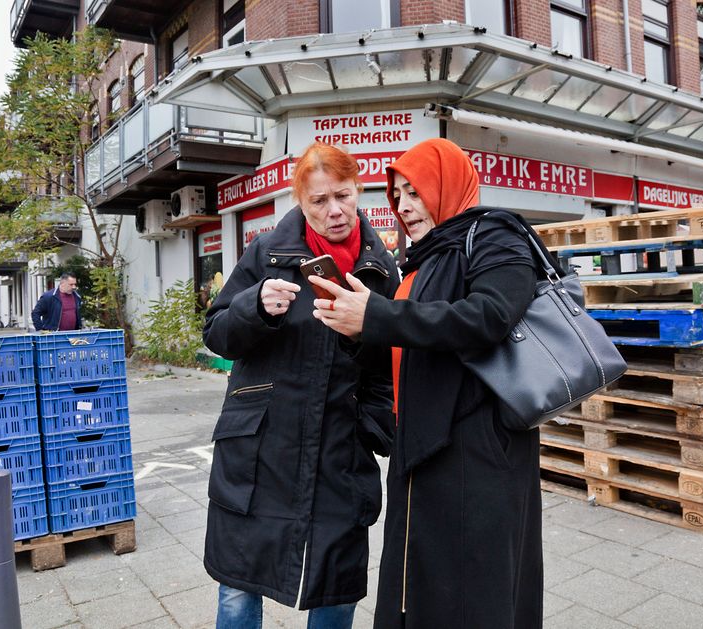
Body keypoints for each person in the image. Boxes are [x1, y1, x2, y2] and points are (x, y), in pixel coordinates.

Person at [310, 138, 543, 628]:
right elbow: (411, 341)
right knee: (422, 589)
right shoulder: (424, 258)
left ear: (447, 184)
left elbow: (489, 315)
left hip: (476, 450)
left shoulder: (497, 235)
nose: (406, 206)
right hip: (423, 447)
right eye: (398, 195)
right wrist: (355, 327)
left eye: (415, 192)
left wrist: (379, 314)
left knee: (472, 593)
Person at [203, 142, 399, 628]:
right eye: (319, 201)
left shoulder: (380, 267)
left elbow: (389, 365)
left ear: (359, 190)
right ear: (299, 201)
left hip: (339, 448)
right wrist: (254, 306)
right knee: (239, 584)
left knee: (337, 585)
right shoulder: (266, 253)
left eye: (343, 196)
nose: (335, 211)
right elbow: (217, 334)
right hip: (261, 447)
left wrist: (372, 426)